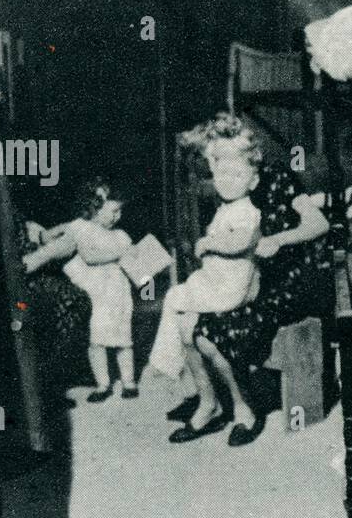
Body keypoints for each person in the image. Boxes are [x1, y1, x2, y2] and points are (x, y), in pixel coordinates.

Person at [166, 114, 330, 446]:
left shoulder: (277, 178)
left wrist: (279, 239)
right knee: (185, 317)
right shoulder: (228, 184)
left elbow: (319, 224)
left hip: (286, 279)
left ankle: (244, 409)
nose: (223, 167)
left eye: (230, 157)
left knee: (210, 331)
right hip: (246, 280)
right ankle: (207, 401)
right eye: (217, 160)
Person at [149, 141, 263, 436]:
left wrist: (210, 243)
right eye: (221, 175)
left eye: (236, 176)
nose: (226, 182)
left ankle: (168, 364)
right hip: (214, 283)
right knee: (182, 316)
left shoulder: (247, 211)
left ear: (253, 181)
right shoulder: (226, 207)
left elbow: (241, 242)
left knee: (178, 303)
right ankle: (205, 399)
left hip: (230, 288)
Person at [23, 179, 137, 403]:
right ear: (94, 208)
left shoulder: (121, 236)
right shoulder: (85, 230)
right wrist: (120, 254)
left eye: (120, 211)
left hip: (120, 295)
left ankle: (129, 381)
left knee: (125, 340)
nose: (117, 216)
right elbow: (89, 256)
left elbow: (136, 264)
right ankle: (103, 383)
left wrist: (140, 260)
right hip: (99, 297)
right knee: (97, 341)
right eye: (113, 210)